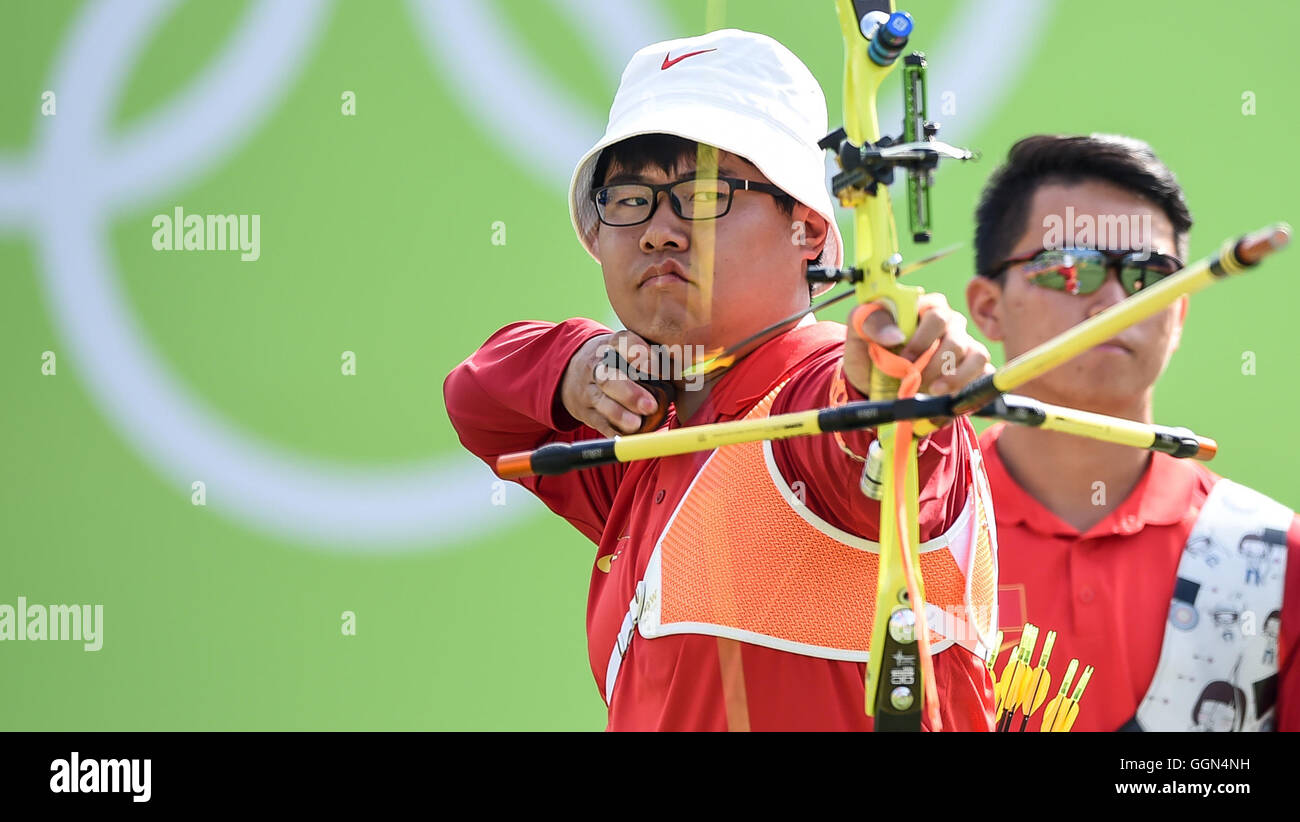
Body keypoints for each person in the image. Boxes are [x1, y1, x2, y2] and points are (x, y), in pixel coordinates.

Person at [444, 28, 1000, 730]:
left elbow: (876, 459)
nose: (658, 231)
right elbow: (476, 402)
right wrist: (579, 366)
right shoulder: (648, 434)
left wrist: (895, 391)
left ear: (809, 227)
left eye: (702, 193)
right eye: (629, 198)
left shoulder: (810, 401)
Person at [965, 133, 1300, 731]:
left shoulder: (1279, 559)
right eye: (1070, 269)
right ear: (987, 307)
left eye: (1149, 275)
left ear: (1181, 311)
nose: (1115, 300)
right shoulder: (913, 530)